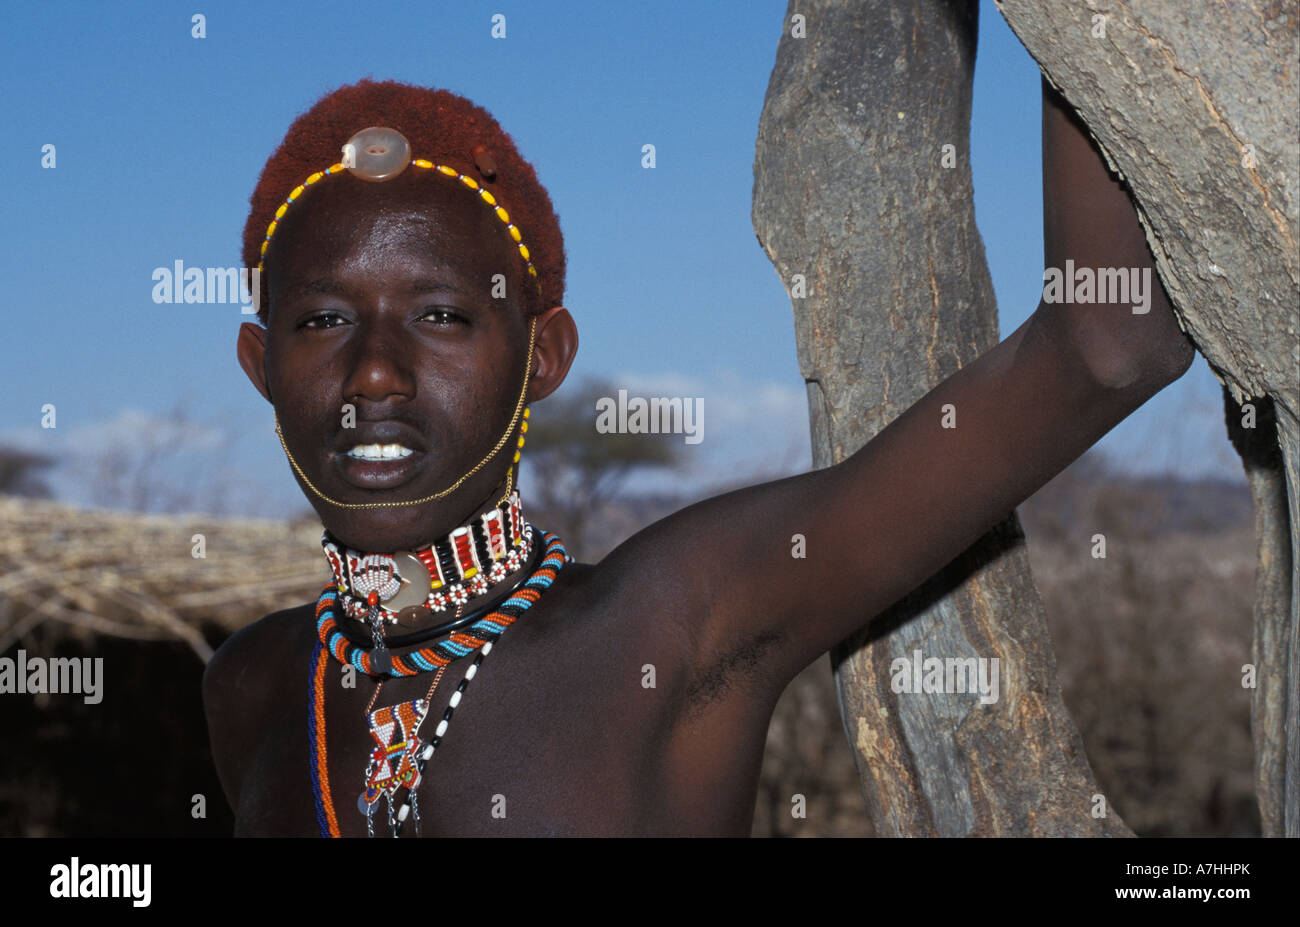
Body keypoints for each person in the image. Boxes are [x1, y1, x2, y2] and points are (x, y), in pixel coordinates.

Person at [204, 76, 1194, 836]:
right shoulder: (253, 684)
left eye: (442, 316)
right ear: (260, 363)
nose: (375, 374)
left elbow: (1106, 347)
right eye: (323, 319)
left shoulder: (673, 622)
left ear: (541, 356)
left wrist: (1085, 34)